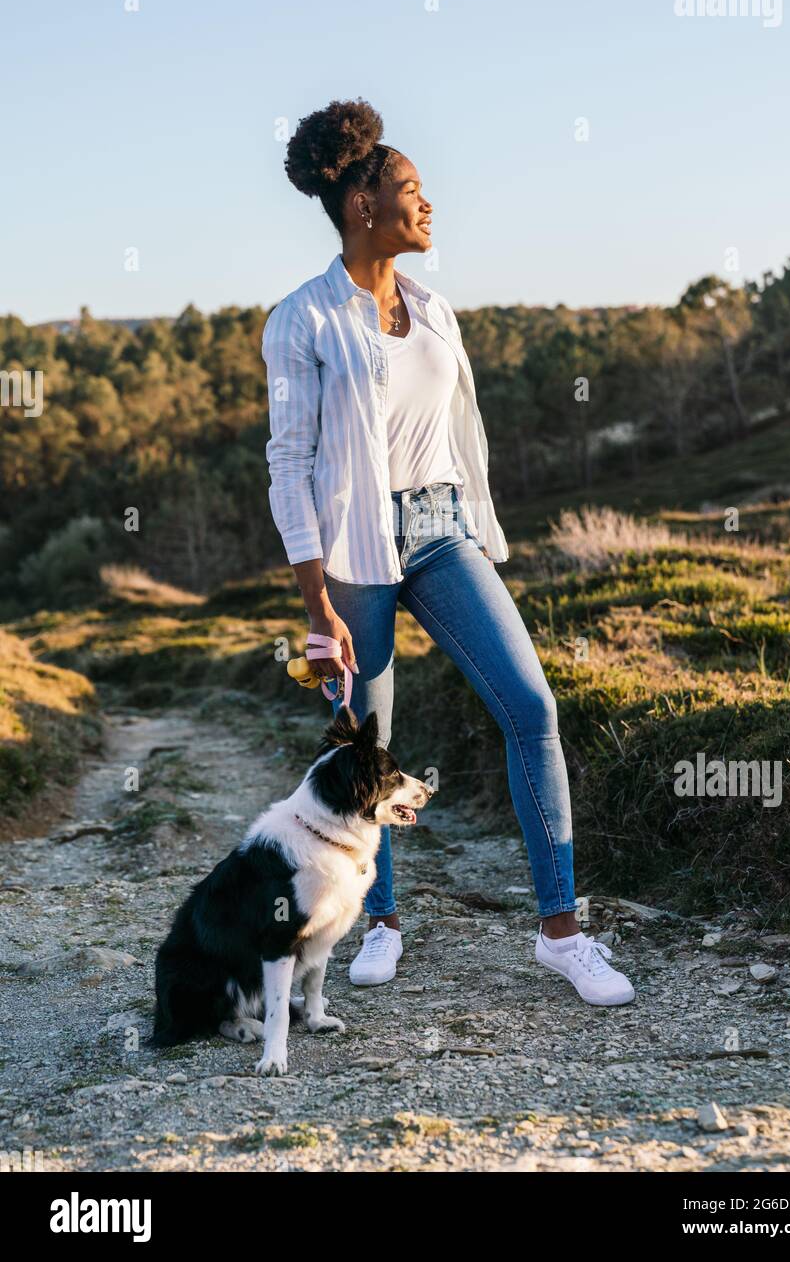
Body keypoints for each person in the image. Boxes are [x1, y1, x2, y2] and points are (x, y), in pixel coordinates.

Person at [262, 98, 634, 1007]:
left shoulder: (432, 311)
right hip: (355, 552)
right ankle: (381, 919)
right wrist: (316, 610)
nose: (427, 207)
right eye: (411, 191)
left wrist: (476, 526)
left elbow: (458, 431)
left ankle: (560, 933)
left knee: (530, 706)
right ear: (362, 208)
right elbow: (291, 464)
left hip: (441, 531)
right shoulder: (302, 320)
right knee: (368, 742)